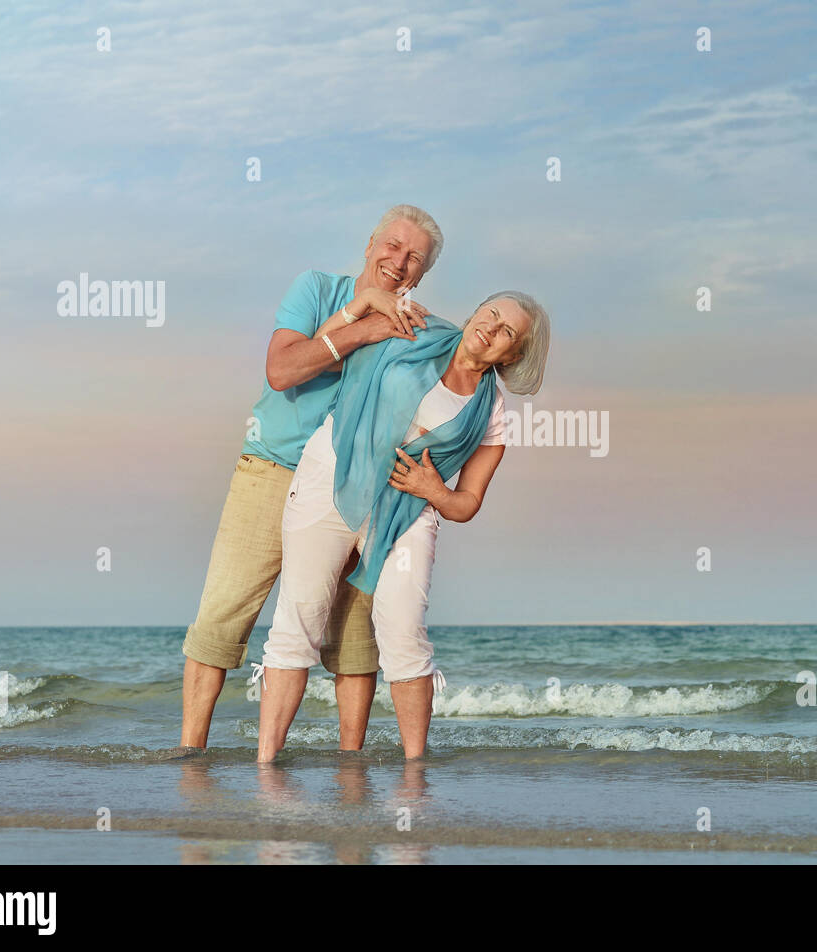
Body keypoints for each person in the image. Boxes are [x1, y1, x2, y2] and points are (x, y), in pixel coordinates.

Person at [179, 205, 444, 752]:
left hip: (351, 487)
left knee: (353, 638)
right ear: (370, 245)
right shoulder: (318, 289)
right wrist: (360, 321)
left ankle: (352, 766)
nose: (398, 261)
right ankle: (191, 754)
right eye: (392, 246)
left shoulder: (414, 330)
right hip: (272, 468)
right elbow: (282, 371)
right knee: (224, 616)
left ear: (422, 275)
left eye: (414, 257)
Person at [253, 291, 551, 761]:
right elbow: (327, 347)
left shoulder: (490, 413)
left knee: (405, 630)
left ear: (513, 355)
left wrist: (435, 490)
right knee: (298, 621)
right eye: (490, 314)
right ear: (475, 311)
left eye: (507, 332)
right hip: (331, 477)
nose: (491, 329)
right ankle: (267, 765)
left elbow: (466, 502)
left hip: (408, 506)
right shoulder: (415, 330)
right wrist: (363, 306)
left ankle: (415, 771)